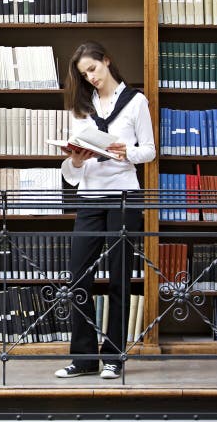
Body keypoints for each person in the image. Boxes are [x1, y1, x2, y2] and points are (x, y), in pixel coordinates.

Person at [54, 41, 155, 380]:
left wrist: (128, 152)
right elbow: (72, 174)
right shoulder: (81, 109)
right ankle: (83, 358)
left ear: (107, 61)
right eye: (85, 74)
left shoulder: (136, 102)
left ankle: (114, 357)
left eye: (93, 69)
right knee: (78, 277)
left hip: (124, 197)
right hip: (90, 197)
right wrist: (74, 160)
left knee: (119, 278)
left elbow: (150, 152)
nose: (91, 77)